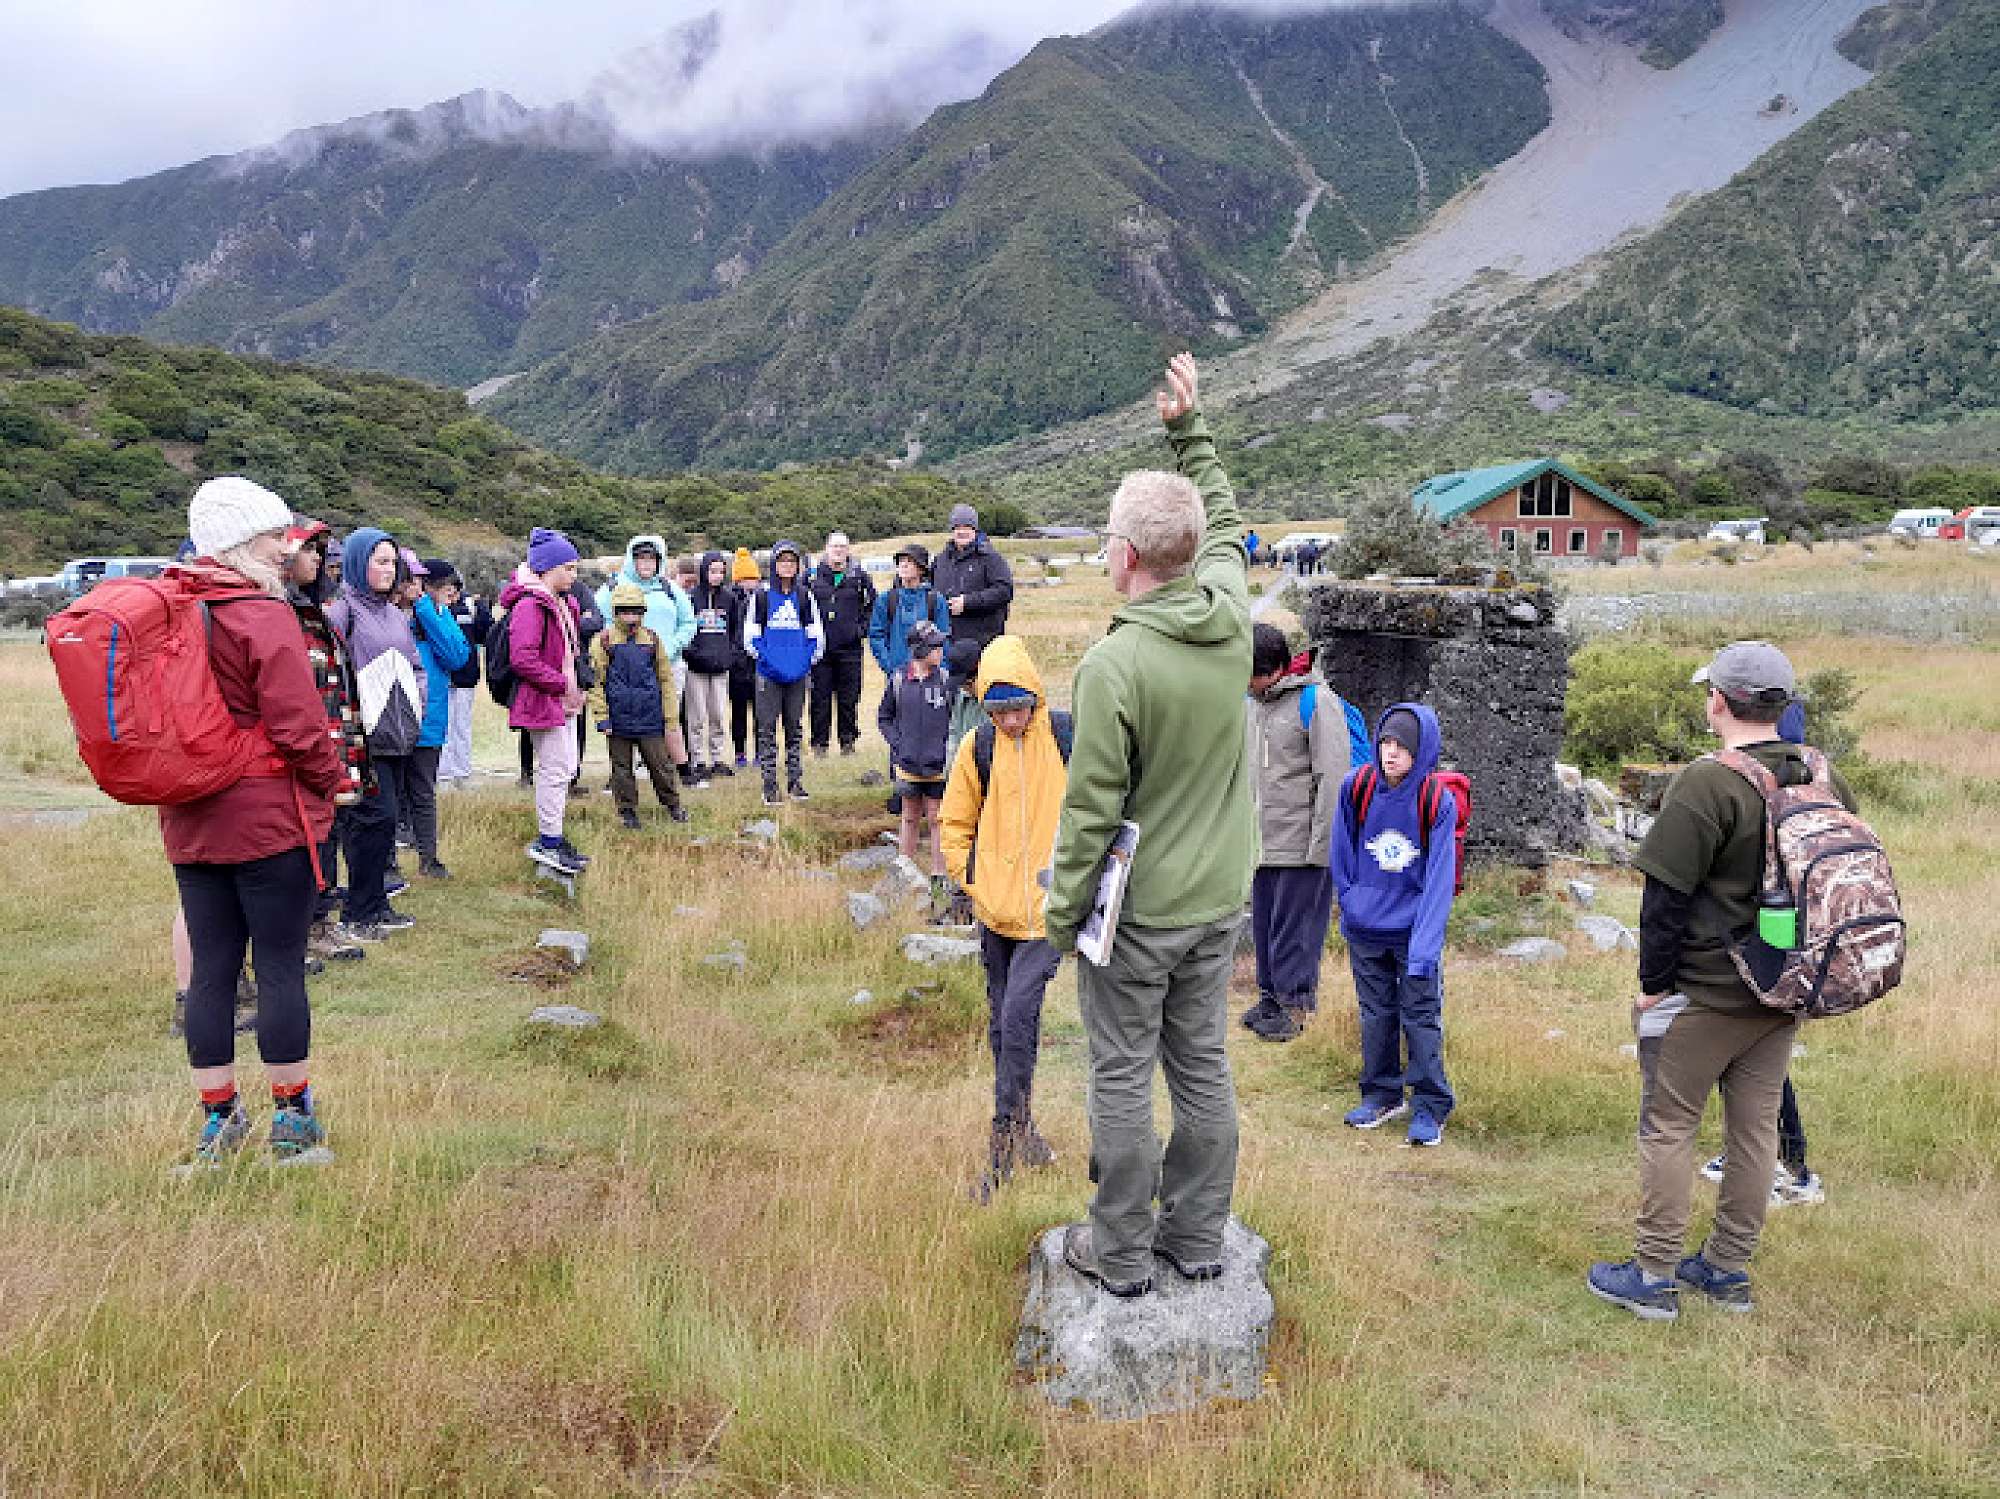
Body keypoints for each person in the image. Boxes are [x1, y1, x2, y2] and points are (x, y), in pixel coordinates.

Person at [1046, 353, 1254, 1300]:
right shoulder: (1232, 614)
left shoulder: (1113, 667)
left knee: (1124, 1072)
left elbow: (1090, 813)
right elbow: (1228, 520)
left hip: (1139, 914)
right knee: (1202, 1062)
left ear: (1126, 555)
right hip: (1219, 898)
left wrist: (1060, 920)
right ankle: (1198, 1236)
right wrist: (1189, 430)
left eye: (1108, 540)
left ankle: (1122, 1253)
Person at [1588, 641, 1855, 1321]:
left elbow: (1664, 898)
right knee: (1755, 1129)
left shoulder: (1708, 782)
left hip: (1705, 992)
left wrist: (1652, 987)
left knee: (1669, 1124)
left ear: (1719, 701)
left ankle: (1653, 1273)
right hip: (1785, 989)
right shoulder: (1820, 772)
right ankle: (1726, 1269)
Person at [166, 477, 348, 1166]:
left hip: (190, 818)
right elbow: (299, 727)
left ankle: (218, 1121)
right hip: (269, 818)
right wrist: (333, 781)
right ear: (242, 542)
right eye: (274, 536)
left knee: (210, 970)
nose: (285, 548)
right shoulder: (262, 614)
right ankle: (292, 1117)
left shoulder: (172, 610)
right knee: (278, 964)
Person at [940, 635, 1071, 1203]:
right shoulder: (979, 747)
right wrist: (975, 881)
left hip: (1048, 914)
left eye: (1019, 709)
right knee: (1003, 1027)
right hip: (994, 913)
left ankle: (1000, 1151)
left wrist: (1078, 886)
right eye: (999, 712)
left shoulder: (1066, 738)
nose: (1011, 721)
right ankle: (1026, 1130)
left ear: (1035, 699)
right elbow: (954, 824)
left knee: (1018, 1015)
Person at [1699, 692, 1824, 1207]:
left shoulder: (1760, 779)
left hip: (1768, 931)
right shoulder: (1814, 775)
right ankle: (1773, 1159)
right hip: (1790, 928)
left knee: (1756, 1049)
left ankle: (1790, 1167)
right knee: (1757, 1050)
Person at [1332, 705, 1460, 1143]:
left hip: (1412, 934)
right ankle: (1382, 1094)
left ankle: (1430, 1106)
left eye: (1402, 746)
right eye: (1386, 742)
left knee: (1420, 1017)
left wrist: (1424, 949)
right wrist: (1351, 904)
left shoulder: (1435, 801)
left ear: (1421, 750)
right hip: (1365, 929)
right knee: (1375, 1014)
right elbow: (1341, 852)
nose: (1391, 752)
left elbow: (1439, 880)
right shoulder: (1357, 787)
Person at [1240, 623, 1347, 1043]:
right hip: (1262, 842)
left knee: (1297, 931)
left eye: (1248, 674)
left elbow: (1332, 778)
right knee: (1266, 925)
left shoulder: (1316, 702)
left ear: (1273, 670)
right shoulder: (1255, 704)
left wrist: (1322, 848)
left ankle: (1295, 1005)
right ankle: (1270, 998)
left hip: (1304, 845)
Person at [325, 527, 423, 938]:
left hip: (397, 735)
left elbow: (415, 666)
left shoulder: (395, 614)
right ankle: (358, 913)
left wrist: (417, 704)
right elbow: (327, 673)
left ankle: (376, 905)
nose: (389, 570)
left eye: (392, 562)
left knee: (385, 824)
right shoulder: (341, 613)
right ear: (357, 562)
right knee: (368, 821)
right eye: (380, 561)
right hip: (360, 738)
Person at [282, 520, 368, 968]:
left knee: (327, 831)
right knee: (302, 838)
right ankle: (299, 930)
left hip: (331, 736)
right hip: (302, 744)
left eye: (322, 550)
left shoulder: (314, 607)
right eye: (310, 549)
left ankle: (319, 923)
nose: (319, 558)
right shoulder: (278, 610)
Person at [499, 528, 591, 875]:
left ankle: (554, 836)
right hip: (543, 699)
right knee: (554, 769)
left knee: (565, 767)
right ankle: (548, 842)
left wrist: (577, 682)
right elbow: (522, 658)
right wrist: (561, 684)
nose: (573, 575)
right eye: (568, 568)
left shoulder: (562, 603)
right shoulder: (531, 605)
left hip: (562, 699)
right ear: (547, 568)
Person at [588, 581, 689, 829]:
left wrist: (670, 717)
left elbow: (665, 680)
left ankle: (673, 805)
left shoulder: (652, 640)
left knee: (661, 766)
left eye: (635, 611)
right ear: (616, 611)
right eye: (624, 611)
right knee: (621, 769)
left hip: (650, 717)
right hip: (618, 719)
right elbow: (595, 682)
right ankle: (627, 811)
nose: (630, 616)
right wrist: (602, 717)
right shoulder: (603, 641)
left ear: (643, 611)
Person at [402, 558, 470, 879]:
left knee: (422, 791)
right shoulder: (402, 616)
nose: (451, 594)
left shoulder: (437, 614)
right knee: (394, 793)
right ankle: (393, 862)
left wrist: (427, 609)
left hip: (430, 716)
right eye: (446, 588)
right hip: (400, 716)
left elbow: (459, 655)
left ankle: (427, 859)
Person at [744, 539, 823, 806]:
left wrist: (803, 662)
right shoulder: (762, 596)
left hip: (797, 673)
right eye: (782, 560)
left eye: (792, 561)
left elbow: (815, 633)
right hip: (768, 673)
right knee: (767, 729)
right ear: (774, 564)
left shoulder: (804, 596)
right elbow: (751, 636)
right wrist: (769, 661)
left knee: (794, 727)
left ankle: (794, 781)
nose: (787, 565)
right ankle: (769, 784)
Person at [876, 620, 953, 886]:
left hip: (938, 766)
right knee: (909, 817)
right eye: (934, 647)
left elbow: (954, 720)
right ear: (919, 649)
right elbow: (884, 717)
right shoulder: (898, 680)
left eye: (940, 646)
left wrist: (946, 748)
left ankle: (938, 876)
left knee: (936, 819)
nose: (940, 651)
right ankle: (904, 872)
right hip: (907, 765)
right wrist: (898, 743)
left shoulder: (945, 681)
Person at [594, 534, 696, 703]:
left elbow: (688, 623)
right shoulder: (612, 587)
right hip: (627, 669)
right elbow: (601, 622)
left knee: (668, 715)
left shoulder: (671, 589)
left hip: (669, 666)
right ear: (631, 560)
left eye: (652, 559)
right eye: (641, 558)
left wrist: (671, 646)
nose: (647, 563)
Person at [931, 503, 1015, 687]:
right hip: (949, 648)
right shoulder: (940, 560)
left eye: (967, 527)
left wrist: (968, 602)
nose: (962, 531)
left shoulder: (991, 558)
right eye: (957, 527)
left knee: (981, 696)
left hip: (984, 646)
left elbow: (1005, 590)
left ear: (975, 530)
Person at [809, 531, 876, 758]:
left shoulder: (859, 577)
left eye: (843, 546)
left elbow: (872, 606)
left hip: (850, 649)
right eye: (835, 546)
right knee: (820, 699)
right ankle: (820, 745)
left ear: (848, 550)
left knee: (849, 699)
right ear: (826, 548)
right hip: (820, 650)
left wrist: (860, 630)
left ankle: (848, 743)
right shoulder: (812, 576)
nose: (838, 550)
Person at [685, 551, 744, 785]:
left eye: (721, 571)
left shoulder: (730, 599)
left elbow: (736, 631)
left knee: (718, 715)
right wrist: (691, 654)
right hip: (696, 666)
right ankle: (698, 760)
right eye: (712, 571)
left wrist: (730, 656)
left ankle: (718, 757)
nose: (717, 576)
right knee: (696, 716)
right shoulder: (691, 598)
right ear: (704, 571)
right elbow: (686, 628)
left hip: (720, 667)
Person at [868, 543, 953, 677]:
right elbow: (876, 636)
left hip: (930, 675)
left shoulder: (935, 600)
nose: (904, 565)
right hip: (897, 674)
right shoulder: (886, 599)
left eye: (910, 561)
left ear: (921, 569)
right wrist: (890, 667)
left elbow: (944, 638)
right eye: (901, 561)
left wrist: (939, 669)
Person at [438, 585, 488, 789]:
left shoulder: (469, 607)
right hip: (443, 677)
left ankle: (462, 771)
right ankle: (444, 773)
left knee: (462, 726)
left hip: (466, 677)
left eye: (453, 589)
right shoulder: (435, 609)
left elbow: (484, 634)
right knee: (445, 726)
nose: (450, 593)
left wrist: (481, 609)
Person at [729, 547, 761, 769]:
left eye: (754, 578)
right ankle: (739, 752)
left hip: (758, 664)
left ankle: (760, 752)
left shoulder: (762, 599)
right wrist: (734, 656)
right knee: (738, 712)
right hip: (737, 666)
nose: (750, 583)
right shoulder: (730, 600)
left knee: (761, 713)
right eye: (746, 579)